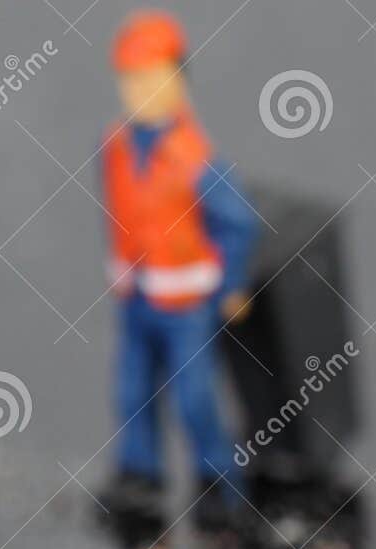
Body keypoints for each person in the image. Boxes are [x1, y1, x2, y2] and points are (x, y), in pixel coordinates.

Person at [100, 9, 260, 522]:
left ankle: (218, 481)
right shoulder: (117, 148)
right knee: (131, 392)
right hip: (136, 296)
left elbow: (239, 223)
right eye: (129, 80)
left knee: (194, 397)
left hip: (187, 302)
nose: (138, 91)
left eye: (150, 78)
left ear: (178, 81)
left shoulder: (197, 159)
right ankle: (140, 475)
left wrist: (232, 284)